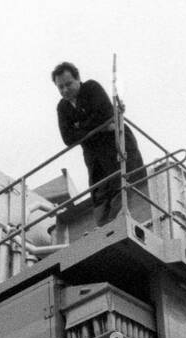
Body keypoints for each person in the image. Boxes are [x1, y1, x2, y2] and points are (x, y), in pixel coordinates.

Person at [52, 60, 147, 224]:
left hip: (116, 146)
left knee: (125, 181)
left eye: (68, 84)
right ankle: (105, 228)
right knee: (100, 192)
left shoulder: (91, 88)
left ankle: (126, 220)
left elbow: (106, 114)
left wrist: (80, 127)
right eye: (61, 87)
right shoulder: (62, 107)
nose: (65, 90)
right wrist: (97, 127)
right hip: (94, 157)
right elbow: (67, 138)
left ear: (78, 79)